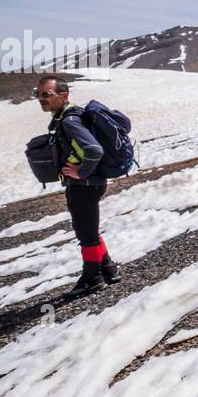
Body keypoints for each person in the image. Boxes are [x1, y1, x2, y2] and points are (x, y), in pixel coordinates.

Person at [35, 75, 119, 300]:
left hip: (84, 184)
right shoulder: (71, 116)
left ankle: (91, 279)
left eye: (46, 94)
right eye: (38, 94)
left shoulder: (69, 121)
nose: (41, 99)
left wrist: (81, 172)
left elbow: (94, 150)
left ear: (64, 95)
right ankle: (108, 269)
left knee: (85, 233)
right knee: (89, 228)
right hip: (90, 183)